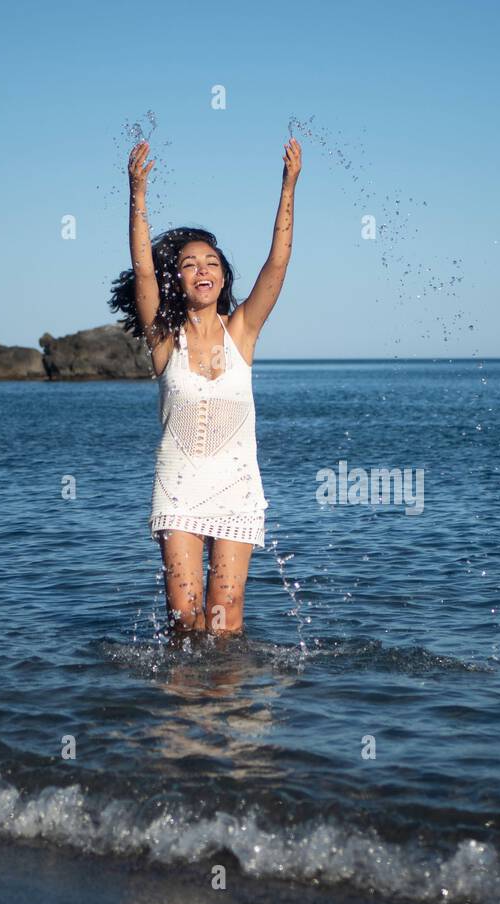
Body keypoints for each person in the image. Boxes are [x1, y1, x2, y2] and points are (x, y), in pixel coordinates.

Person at [110, 136, 301, 637]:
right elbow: (144, 268)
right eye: (191, 263)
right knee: (184, 616)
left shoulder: (241, 332)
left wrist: (289, 185)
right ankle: (180, 706)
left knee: (225, 614)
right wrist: (137, 194)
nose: (203, 270)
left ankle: (227, 703)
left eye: (212, 263)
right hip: (178, 485)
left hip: (236, 485)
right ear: (178, 278)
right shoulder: (163, 339)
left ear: (222, 277)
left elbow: (276, 265)